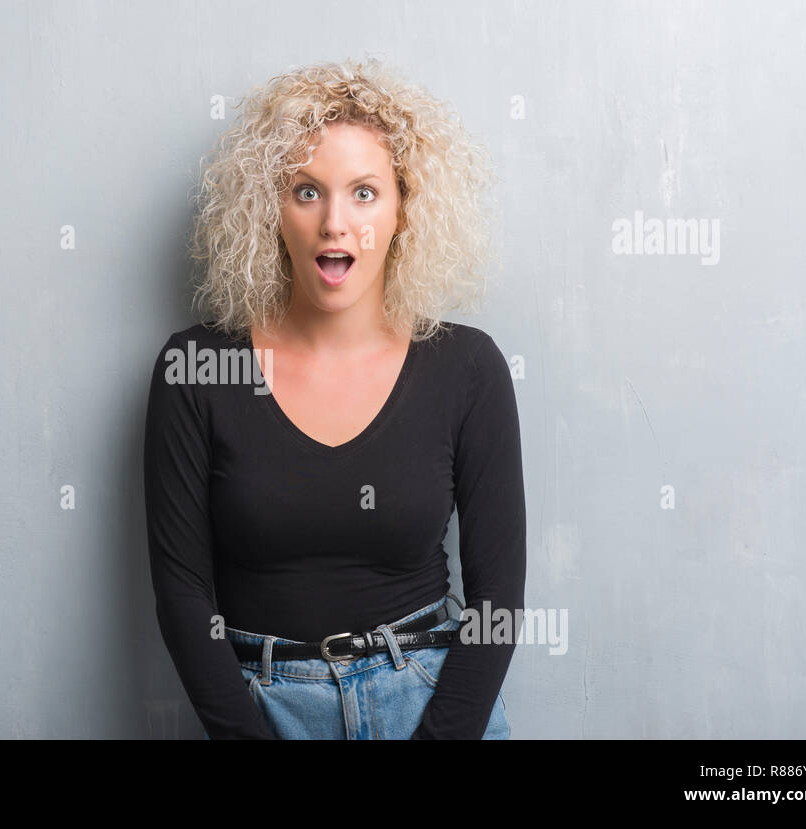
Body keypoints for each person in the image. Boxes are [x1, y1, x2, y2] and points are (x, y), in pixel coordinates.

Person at [143, 57, 526, 739]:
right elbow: (181, 596)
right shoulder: (196, 368)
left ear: (406, 209)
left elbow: (499, 600)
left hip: (432, 699)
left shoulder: (469, 367)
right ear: (271, 209)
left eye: (365, 193)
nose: (335, 224)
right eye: (307, 191)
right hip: (264, 708)